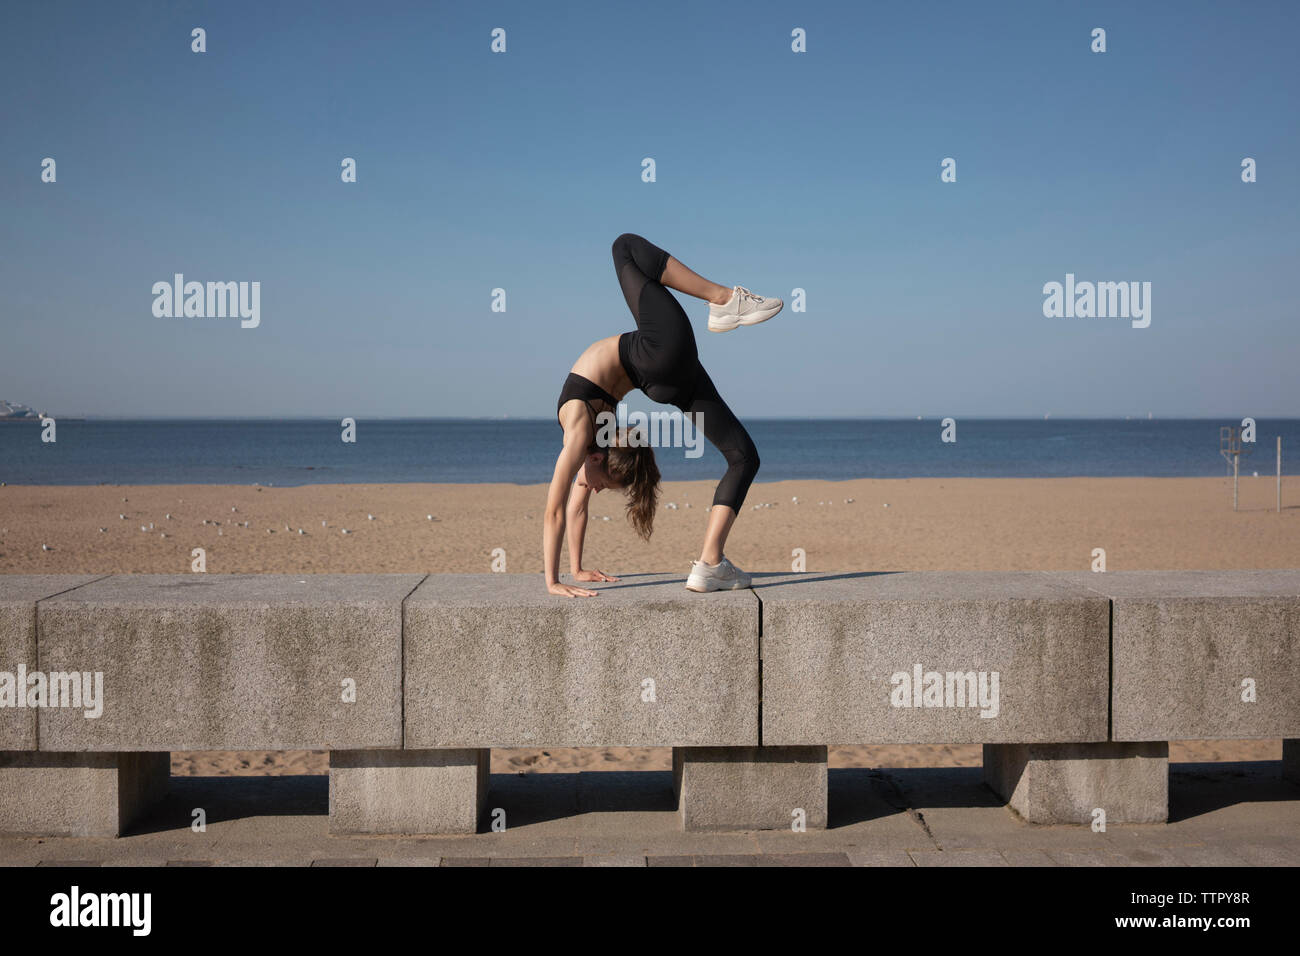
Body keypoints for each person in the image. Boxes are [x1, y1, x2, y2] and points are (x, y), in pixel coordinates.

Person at [543, 233, 782, 597]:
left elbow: (557, 511)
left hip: (659, 369)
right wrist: (572, 570)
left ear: (595, 457)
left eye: (599, 485)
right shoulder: (591, 441)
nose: (592, 488)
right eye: (602, 485)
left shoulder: (582, 433)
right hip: (661, 362)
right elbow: (573, 507)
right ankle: (710, 564)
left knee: (744, 458)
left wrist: (556, 580)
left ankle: (711, 565)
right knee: (742, 457)